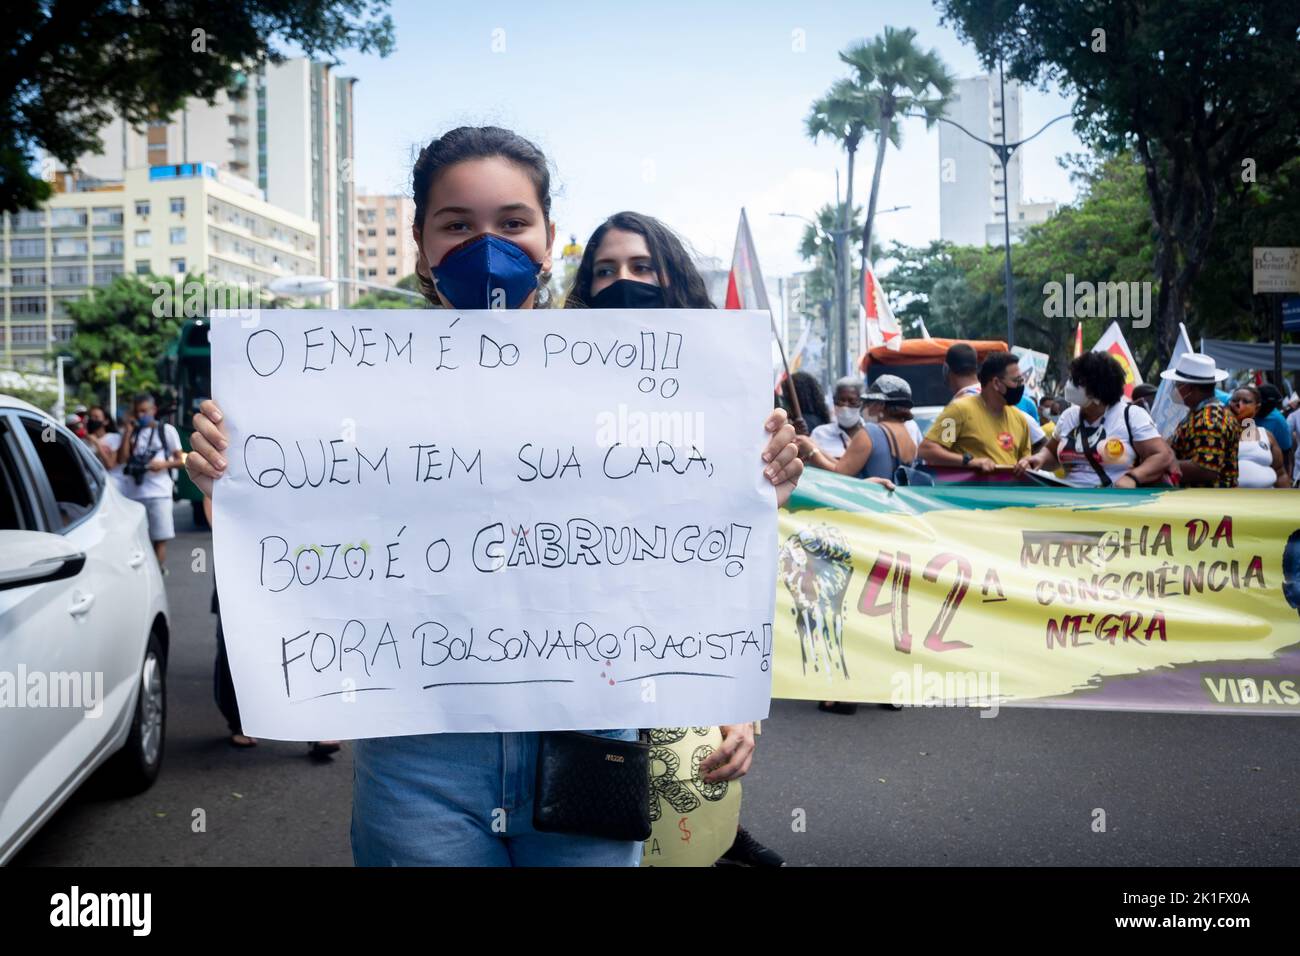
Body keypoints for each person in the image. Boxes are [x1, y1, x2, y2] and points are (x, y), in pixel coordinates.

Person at [185, 128, 803, 868]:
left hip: (588, 744)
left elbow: (688, 548)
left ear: (548, 239)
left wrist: (759, 483)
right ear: (419, 243)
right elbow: (303, 547)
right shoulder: (340, 394)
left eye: (512, 223)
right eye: (457, 225)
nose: (488, 245)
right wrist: (235, 486)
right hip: (420, 760)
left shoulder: (636, 384)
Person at [567, 208, 785, 867]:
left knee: (679, 841)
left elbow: (730, 562)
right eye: (604, 271)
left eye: (641, 267)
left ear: (674, 280)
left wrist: (737, 702)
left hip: (672, 663)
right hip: (569, 665)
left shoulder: (721, 395)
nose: (622, 281)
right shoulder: (546, 389)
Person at [1015, 352, 1173, 488]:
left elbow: (1162, 455)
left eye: (1076, 381)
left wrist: (1133, 478)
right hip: (1069, 501)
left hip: (1116, 503)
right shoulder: (1069, 416)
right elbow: (1051, 453)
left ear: (1097, 390)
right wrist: (1039, 459)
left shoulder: (1131, 416)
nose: (1069, 385)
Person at [921, 352, 1033, 473]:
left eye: (1022, 380)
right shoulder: (959, 411)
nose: (1021, 385)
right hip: (969, 490)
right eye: (1017, 380)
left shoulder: (1019, 419)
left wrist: (1026, 462)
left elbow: (1026, 457)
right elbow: (928, 450)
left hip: (1008, 490)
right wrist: (970, 462)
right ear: (996, 383)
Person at [798, 374, 917, 482]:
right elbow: (848, 466)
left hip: (869, 501)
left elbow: (841, 473)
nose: (865, 408)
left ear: (880, 405)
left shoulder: (871, 433)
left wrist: (811, 452)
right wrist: (816, 448)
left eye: (868, 402)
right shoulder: (907, 434)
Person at [116, 393, 184, 568]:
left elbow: (182, 460)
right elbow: (122, 459)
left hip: (159, 493)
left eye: (144, 411)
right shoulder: (133, 433)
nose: (140, 416)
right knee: (137, 542)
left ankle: (157, 573)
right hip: (133, 494)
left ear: (153, 410)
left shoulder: (166, 430)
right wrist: (127, 432)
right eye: (137, 412)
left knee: (159, 539)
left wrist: (162, 464)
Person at [941, 342, 1047, 451]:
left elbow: (941, 453)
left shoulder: (956, 408)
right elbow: (1041, 442)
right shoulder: (1000, 397)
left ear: (946, 369)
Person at [1162, 353, 1239, 488]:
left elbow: (1205, 470)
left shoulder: (1209, 420)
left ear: (1190, 388)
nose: (1175, 389)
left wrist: (1158, 465)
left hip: (1208, 504)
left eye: (1178, 384)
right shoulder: (1202, 413)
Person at [1229, 386, 1288, 488]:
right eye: (1235, 400)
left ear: (1257, 408)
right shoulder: (1218, 433)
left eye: (1246, 401)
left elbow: (1280, 473)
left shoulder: (1266, 435)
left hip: (1267, 499)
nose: (1239, 404)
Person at [809, 376, 865, 458]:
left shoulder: (871, 435)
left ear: (861, 403)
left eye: (852, 401)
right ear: (834, 401)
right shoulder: (819, 434)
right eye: (841, 400)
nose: (845, 405)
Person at [1256, 384, 1294, 480]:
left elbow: (1286, 453)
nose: (1268, 410)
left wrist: (1287, 478)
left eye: (1272, 407)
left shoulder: (1278, 421)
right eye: (1265, 405)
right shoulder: (1242, 412)